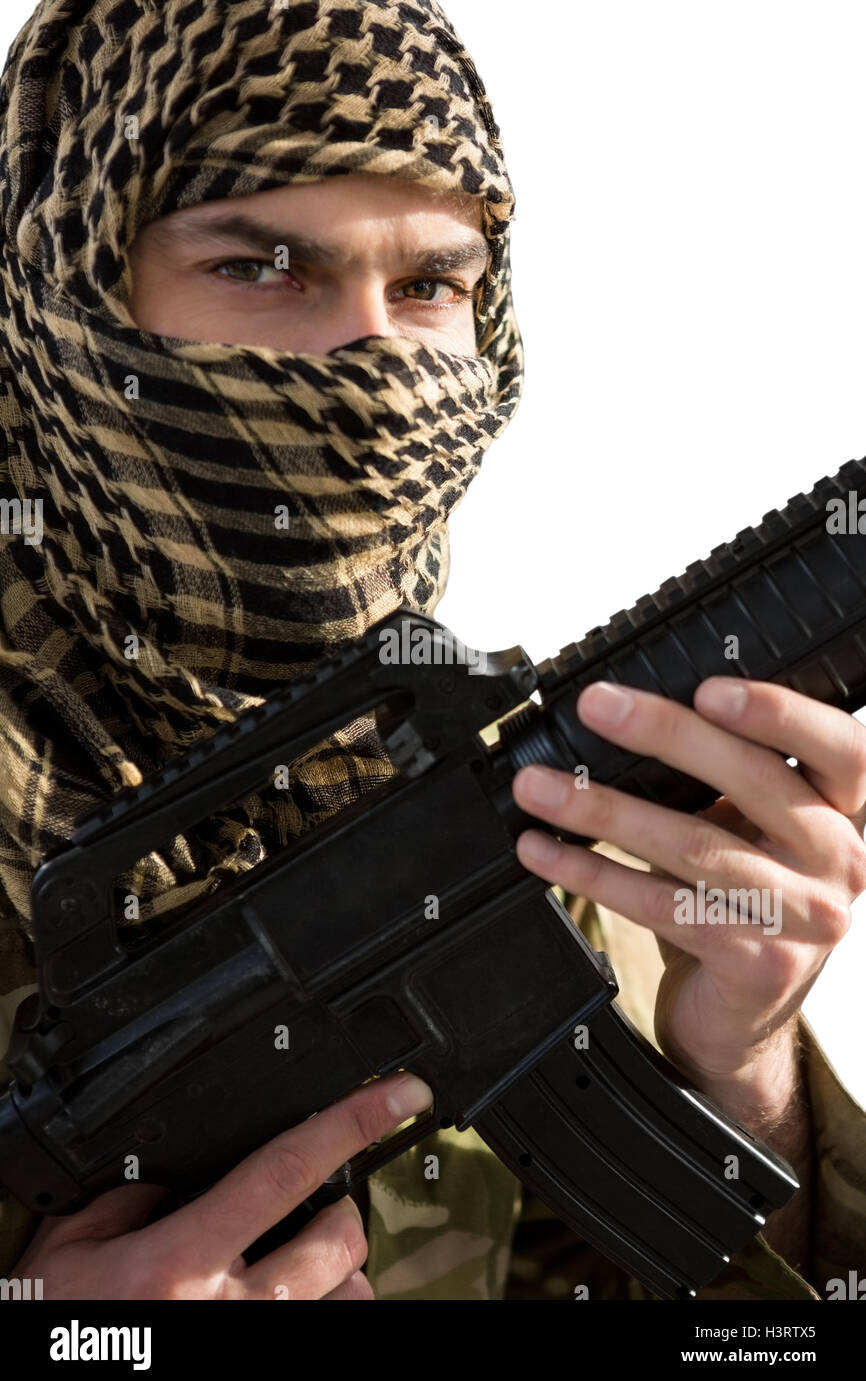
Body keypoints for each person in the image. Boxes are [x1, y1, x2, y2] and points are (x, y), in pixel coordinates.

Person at [1, 0, 865, 1302]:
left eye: (428, 285)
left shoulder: (556, 851)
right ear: (59, 285)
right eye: (261, 266)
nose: (372, 352)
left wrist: (737, 1072)